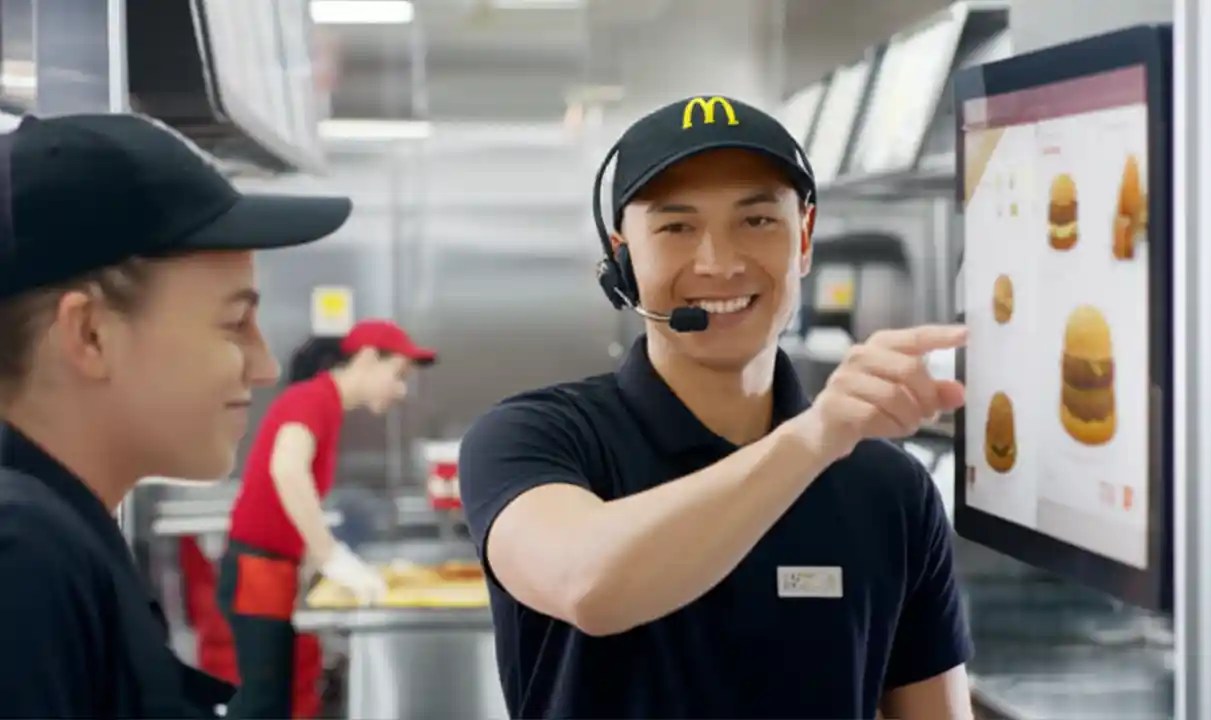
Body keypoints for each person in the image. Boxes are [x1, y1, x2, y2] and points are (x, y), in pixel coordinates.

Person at [459, 95, 974, 719]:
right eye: (677, 227)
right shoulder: (536, 438)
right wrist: (812, 441)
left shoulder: (890, 489)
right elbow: (587, 583)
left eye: (756, 221)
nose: (720, 264)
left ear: (804, 237)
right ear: (624, 257)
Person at [0, 113, 352, 717]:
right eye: (233, 323)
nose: (264, 365)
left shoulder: (64, 539)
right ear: (90, 335)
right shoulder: (24, 559)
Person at [220, 319, 436, 719]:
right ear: (369, 358)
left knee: (273, 699)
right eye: (399, 375)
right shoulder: (313, 398)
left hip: (273, 569)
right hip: (259, 570)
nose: (401, 389)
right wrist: (330, 556)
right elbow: (286, 469)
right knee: (263, 704)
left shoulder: (325, 404)